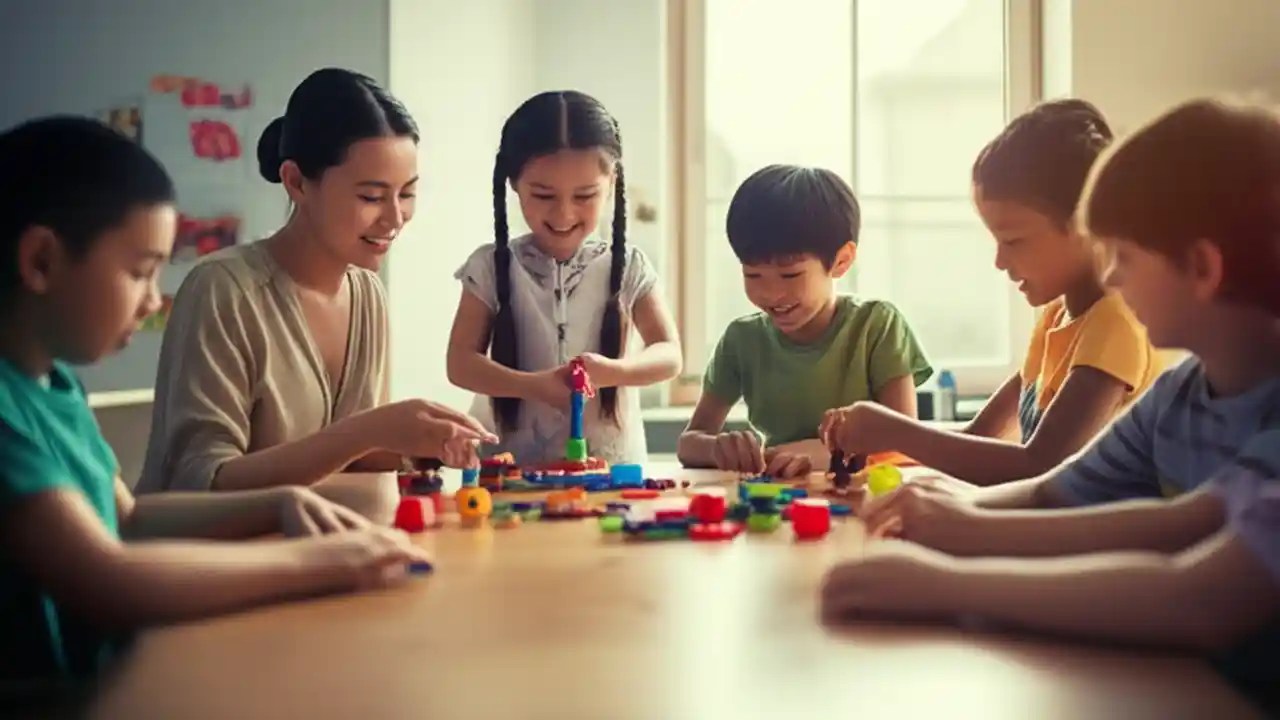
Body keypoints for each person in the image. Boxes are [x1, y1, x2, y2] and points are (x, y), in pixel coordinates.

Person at [820, 99, 1280, 714]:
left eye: (1126, 256)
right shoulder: (1181, 392)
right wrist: (950, 520)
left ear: (1200, 267)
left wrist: (950, 577)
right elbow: (1168, 516)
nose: (1112, 277)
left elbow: (1202, 599)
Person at [0, 116, 430, 691]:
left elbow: (130, 517)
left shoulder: (56, 386)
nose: (153, 300)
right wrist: (322, 563)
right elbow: (109, 580)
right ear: (41, 262)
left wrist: (279, 502)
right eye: (140, 272)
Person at [139, 68, 492, 506]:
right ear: (297, 182)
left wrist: (421, 444)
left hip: (318, 551)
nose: (395, 218)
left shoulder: (366, 293)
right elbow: (201, 482)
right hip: (205, 564)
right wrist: (370, 429)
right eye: (371, 197)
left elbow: (353, 460)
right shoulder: (223, 290)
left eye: (407, 194)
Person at [821, 100, 1162, 485]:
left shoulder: (1114, 322)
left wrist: (897, 432)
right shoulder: (1056, 319)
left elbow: (1041, 465)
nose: (1000, 261)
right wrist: (879, 436)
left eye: (1013, 241)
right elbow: (979, 438)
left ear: (1085, 225)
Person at [447, 90, 681, 465]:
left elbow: (669, 355)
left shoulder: (630, 265)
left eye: (585, 195)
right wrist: (532, 386)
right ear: (513, 183)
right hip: (511, 470)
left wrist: (614, 372)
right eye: (543, 195)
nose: (564, 214)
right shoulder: (490, 267)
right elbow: (460, 362)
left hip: (611, 470)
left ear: (612, 183)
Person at [678, 165, 931, 478]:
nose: (771, 293)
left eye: (790, 275)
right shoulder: (741, 340)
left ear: (841, 261)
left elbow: (905, 444)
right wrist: (716, 448)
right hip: (777, 501)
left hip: (866, 501)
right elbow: (689, 443)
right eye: (752, 274)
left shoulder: (877, 327)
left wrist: (819, 454)